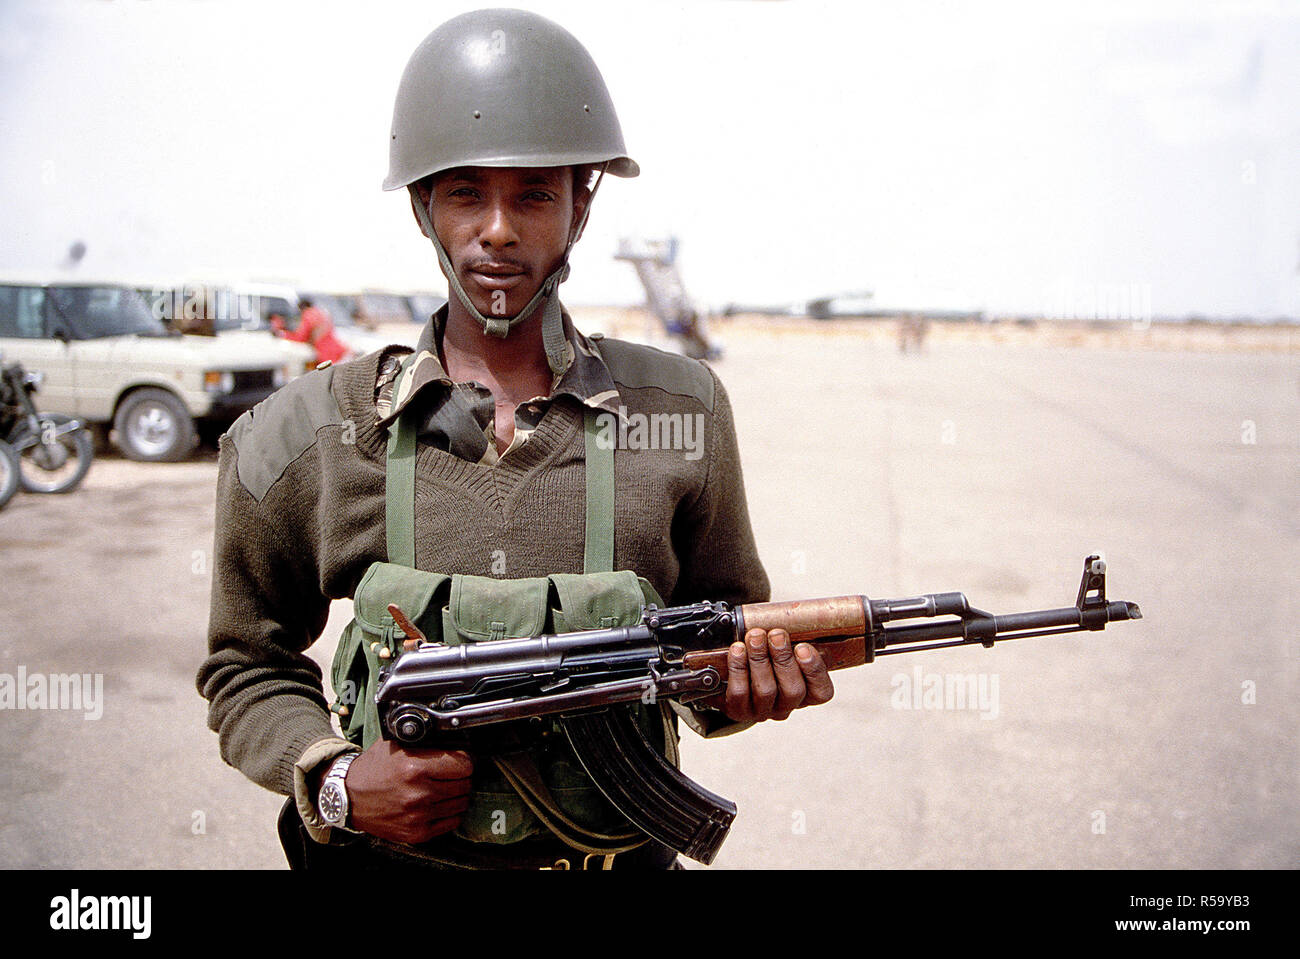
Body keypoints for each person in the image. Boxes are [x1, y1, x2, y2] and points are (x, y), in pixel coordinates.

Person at [197, 8, 833, 871]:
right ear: (424, 206)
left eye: (534, 192)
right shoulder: (309, 431)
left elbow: (714, 654)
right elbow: (246, 662)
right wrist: (340, 779)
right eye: (466, 191)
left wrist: (746, 689)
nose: (498, 227)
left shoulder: (681, 413)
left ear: (579, 207)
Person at [271, 297, 351, 367]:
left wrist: (282, 334)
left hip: (327, 354)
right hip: (339, 349)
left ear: (301, 308)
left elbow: (301, 337)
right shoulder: (320, 312)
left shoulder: (308, 315)